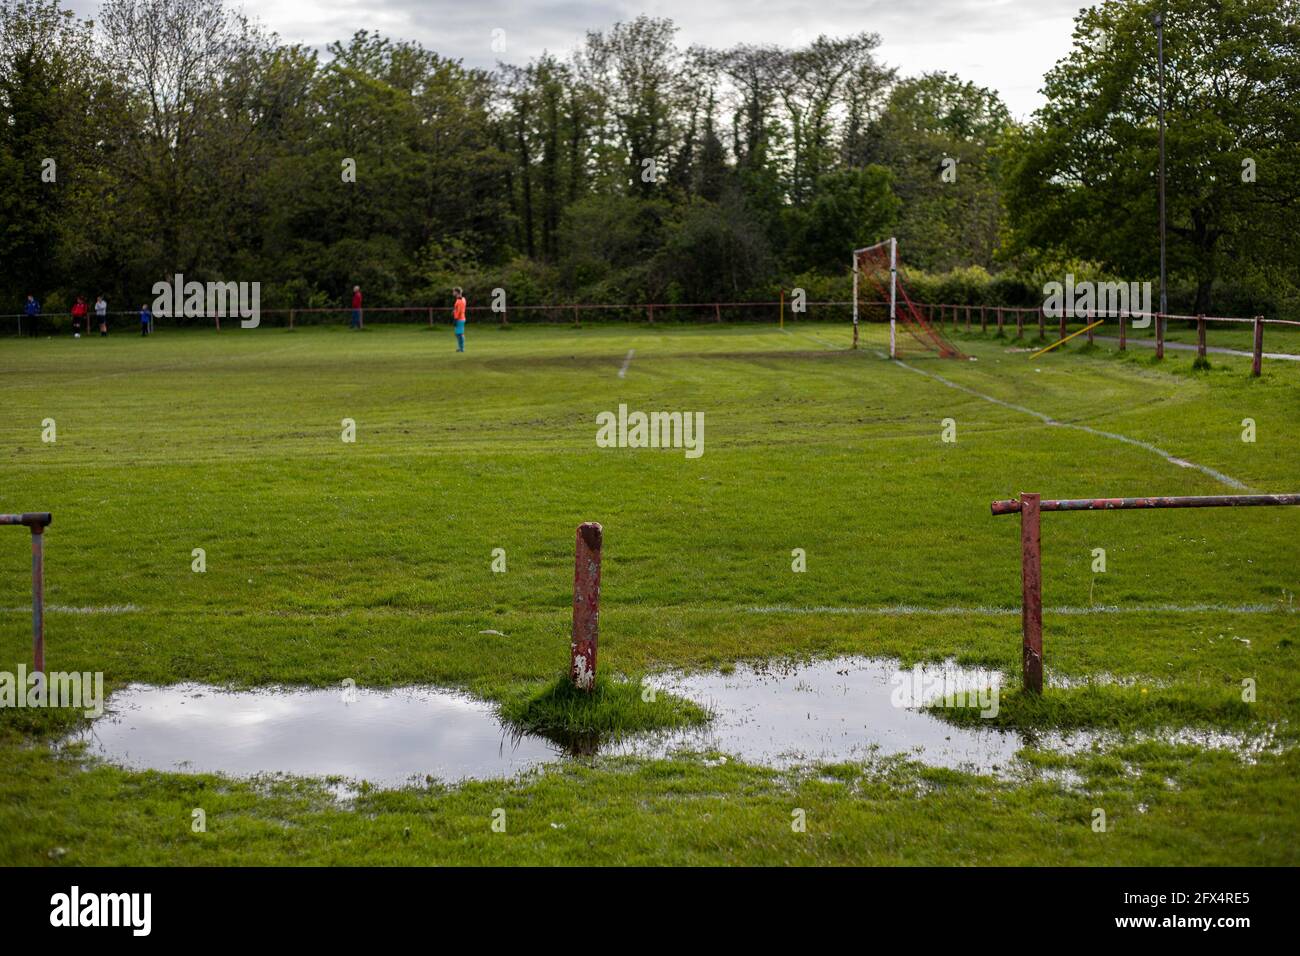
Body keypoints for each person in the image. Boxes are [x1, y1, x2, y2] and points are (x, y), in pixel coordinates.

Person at [453, 287, 466, 352]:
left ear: (457, 292)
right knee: (458, 334)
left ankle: (462, 348)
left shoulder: (460, 300)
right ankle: (460, 347)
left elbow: (459, 310)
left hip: (459, 319)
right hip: (461, 318)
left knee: (459, 334)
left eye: (454, 291)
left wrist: (455, 318)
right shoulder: (462, 299)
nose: (453, 293)